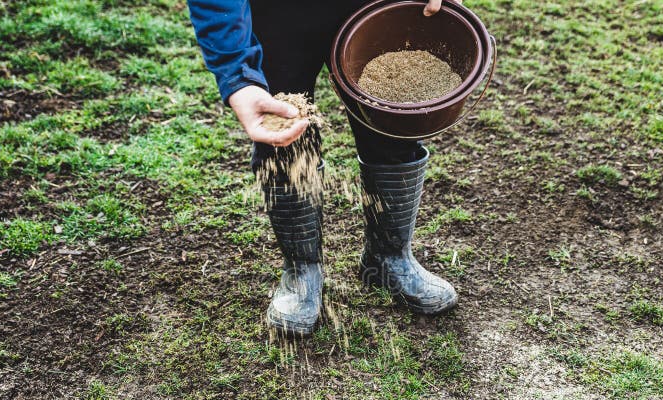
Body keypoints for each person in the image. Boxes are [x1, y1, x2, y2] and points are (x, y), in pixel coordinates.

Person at [187, 0, 462, 336]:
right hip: (276, 14)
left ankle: (389, 259)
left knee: (395, 123)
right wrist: (237, 75)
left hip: (378, 4)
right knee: (284, 131)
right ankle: (302, 271)